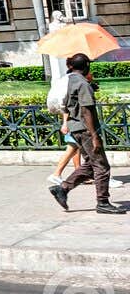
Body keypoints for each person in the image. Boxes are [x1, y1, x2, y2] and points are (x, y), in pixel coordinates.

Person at [52, 53, 124, 214]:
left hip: (75, 127)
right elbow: (86, 111)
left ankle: (62, 188)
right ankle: (103, 202)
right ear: (86, 66)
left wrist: (90, 87)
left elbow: (74, 101)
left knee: (91, 164)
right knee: (101, 166)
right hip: (85, 129)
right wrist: (94, 136)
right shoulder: (82, 84)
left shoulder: (71, 80)